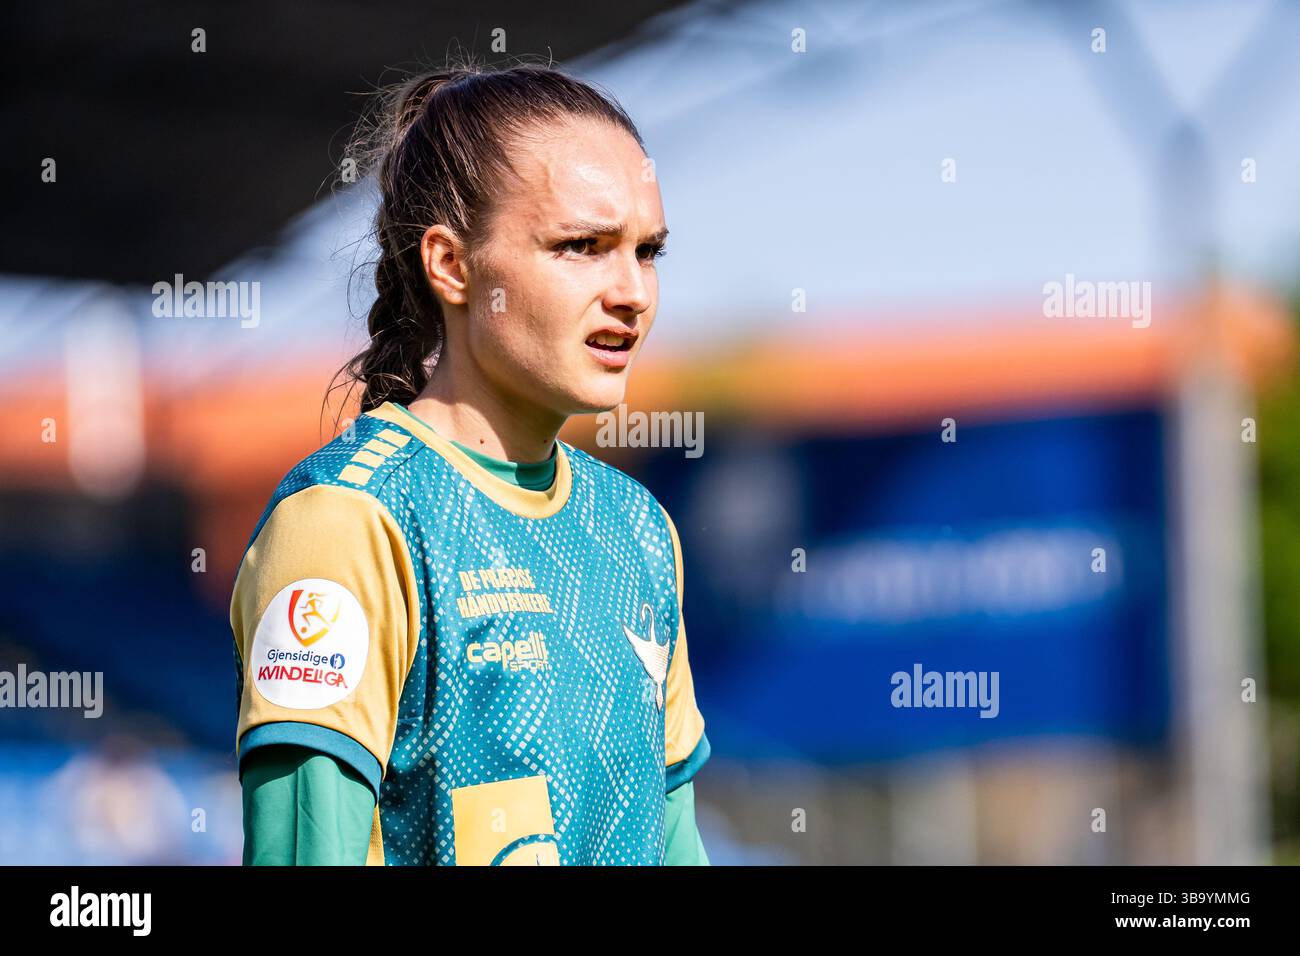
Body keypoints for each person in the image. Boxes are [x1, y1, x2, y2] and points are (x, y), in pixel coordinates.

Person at [230, 61, 711, 865]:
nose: (632, 291)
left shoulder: (642, 533)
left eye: (647, 251)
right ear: (452, 265)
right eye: (581, 247)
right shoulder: (348, 523)